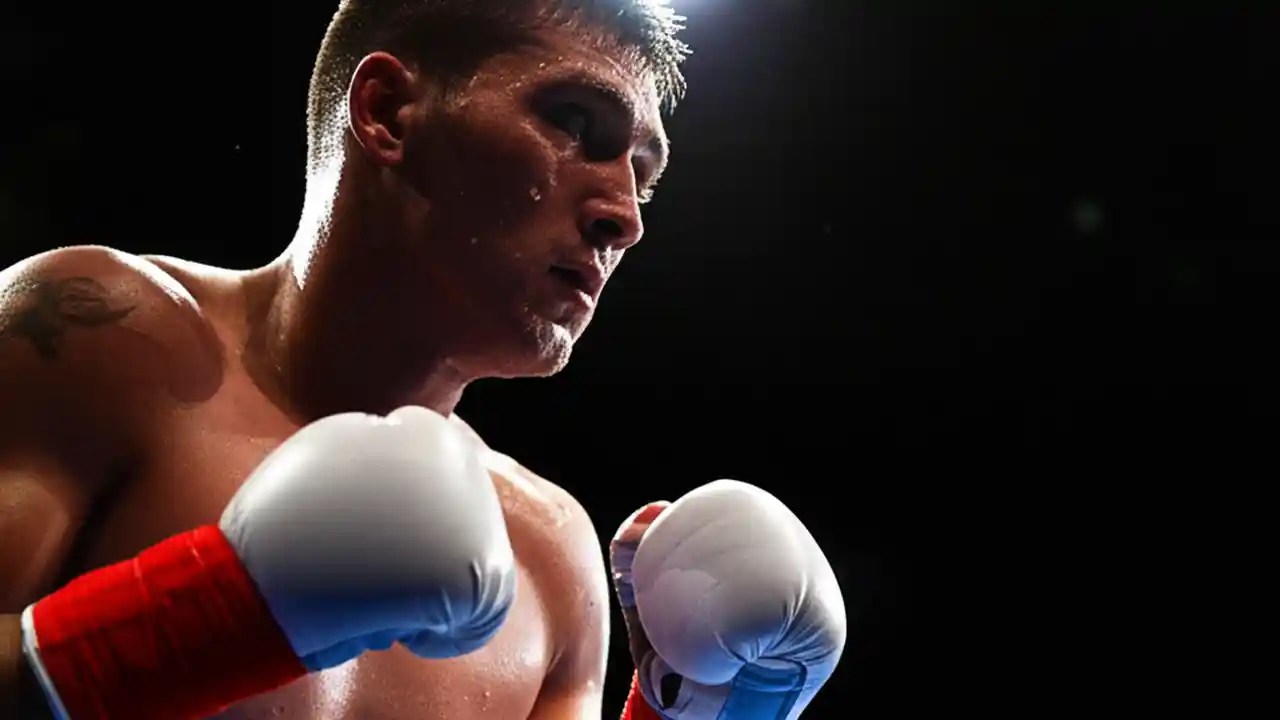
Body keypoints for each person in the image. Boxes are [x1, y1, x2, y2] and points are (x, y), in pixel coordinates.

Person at [0, 1, 846, 718]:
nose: (625, 216)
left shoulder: (550, 556)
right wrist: (196, 619)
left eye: (643, 174)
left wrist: (707, 709)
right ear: (389, 112)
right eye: (575, 123)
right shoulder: (103, 338)